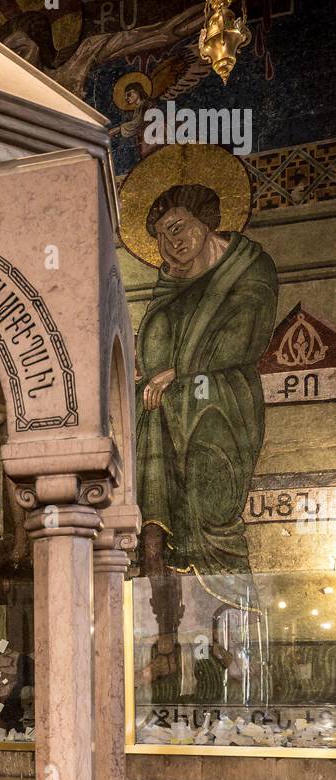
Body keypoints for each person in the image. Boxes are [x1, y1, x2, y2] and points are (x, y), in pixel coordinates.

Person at [135, 182, 278, 681]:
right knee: (156, 532)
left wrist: (179, 371)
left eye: (177, 228)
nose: (170, 242)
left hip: (221, 413)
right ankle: (166, 643)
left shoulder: (249, 268)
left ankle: (234, 641)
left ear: (205, 221)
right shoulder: (172, 284)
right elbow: (150, 348)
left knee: (213, 518)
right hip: (164, 420)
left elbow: (245, 334)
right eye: (160, 236)